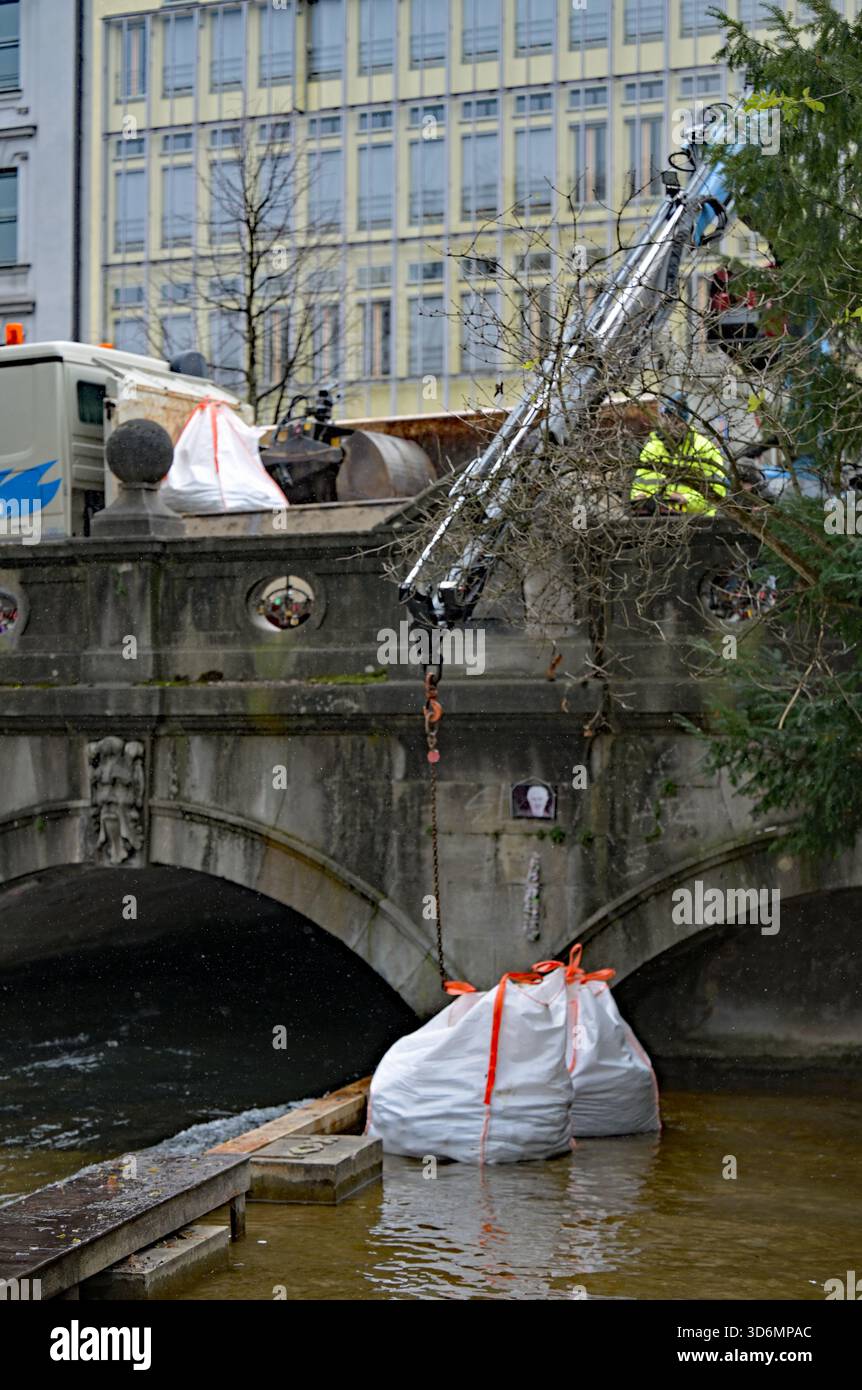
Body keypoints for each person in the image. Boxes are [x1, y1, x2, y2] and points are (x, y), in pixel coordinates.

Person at [630, 396, 728, 516]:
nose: (671, 424)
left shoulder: (705, 448)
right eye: (667, 418)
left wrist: (686, 500)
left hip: (697, 523)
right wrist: (640, 499)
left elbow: (719, 493)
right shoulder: (652, 449)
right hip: (656, 523)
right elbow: (639, 486)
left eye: (676, 420)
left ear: (685, 421)